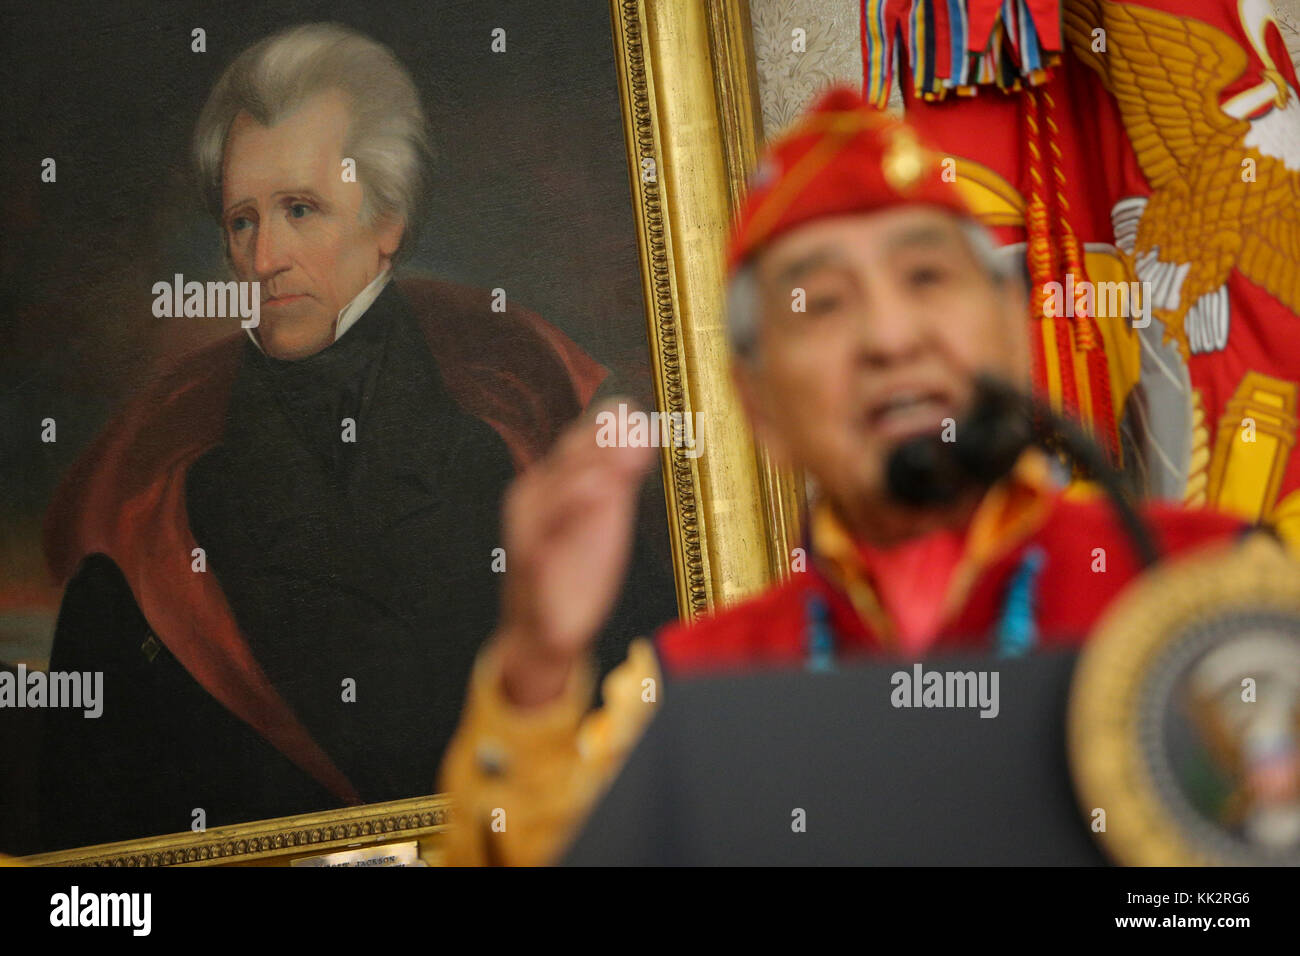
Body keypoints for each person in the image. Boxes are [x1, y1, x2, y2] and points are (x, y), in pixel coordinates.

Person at [435, 86, 1259, 866]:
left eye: (926, 278)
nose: (890, 337)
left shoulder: (1213, 591)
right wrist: (537, 662)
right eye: (822, 303)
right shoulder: (697, 691)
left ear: (1013, 331)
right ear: (758, 404)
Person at [37, 23, 654, 850]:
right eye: (242, 223)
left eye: (300, 211)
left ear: (388, 220)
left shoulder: (515, 444)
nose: (265, 259)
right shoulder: (160, 514)